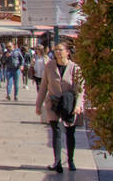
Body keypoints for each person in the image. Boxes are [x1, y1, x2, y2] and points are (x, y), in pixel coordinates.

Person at [35, 43, 85, 173]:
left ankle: (71, 160)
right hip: (53, 103)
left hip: (69, 103)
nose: (58, 52)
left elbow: (80, 89)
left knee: (70, 132)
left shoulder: (75, 68)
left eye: (60, 50)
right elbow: (44, 86)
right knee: (56, 130)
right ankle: (57, 161)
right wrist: (38, 105)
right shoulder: (49, 66)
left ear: (67, 52)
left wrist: (78, 105)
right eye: (56, 50)